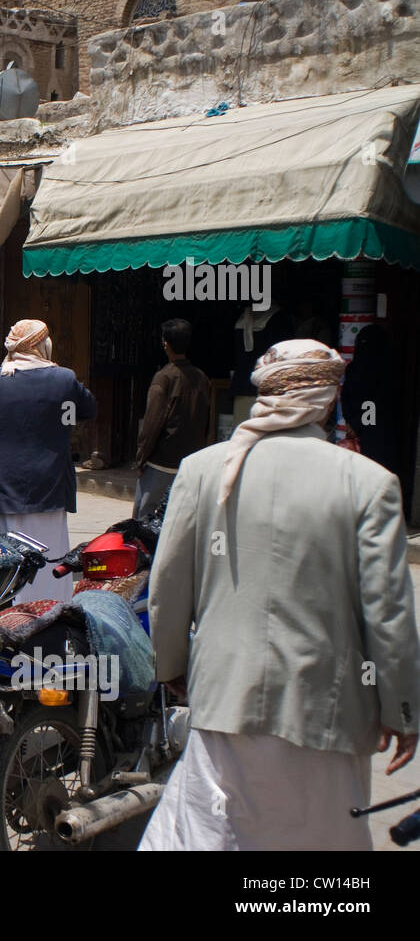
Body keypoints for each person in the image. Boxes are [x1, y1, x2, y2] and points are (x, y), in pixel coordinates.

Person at [141, 339, 420, 851]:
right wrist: (401, 709)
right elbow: (389, 615)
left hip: (223, 700)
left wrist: (173, 667)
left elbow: (167, 586)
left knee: (209, 835)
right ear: (331, 398)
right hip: (325, 716)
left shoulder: (202, 469)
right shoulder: (370, 482)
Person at [0, 319, 96, 603]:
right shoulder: (63, 379)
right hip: (50, 489)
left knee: (12, 565)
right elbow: (88, 408)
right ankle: (51, 619)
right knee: (51, 560)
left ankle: (13, 624)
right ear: (43, 346)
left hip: (6, 489)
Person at [134, 319, 210, 519]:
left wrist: (141, 458)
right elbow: (206, 421)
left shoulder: (164, 377)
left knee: (145, 520)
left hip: (161, 462)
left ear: (165, 343)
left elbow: (152, 422)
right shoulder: (202, 378)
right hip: (190, 462)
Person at [341, 323, 399, 476]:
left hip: (366, 427)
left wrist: (352, 423)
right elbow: (374, 400)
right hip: (372, 428)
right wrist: (356, 423)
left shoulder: (355, 367)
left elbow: (354, 397)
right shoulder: (387, 368)